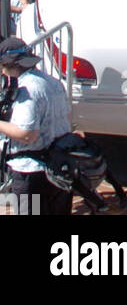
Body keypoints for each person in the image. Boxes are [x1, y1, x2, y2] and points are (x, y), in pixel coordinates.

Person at [0, 34, 73, 215]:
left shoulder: (28, 88)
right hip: (58, 167)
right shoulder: (53, 82)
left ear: (9, 64)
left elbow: (27, 134)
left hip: (30, 172)